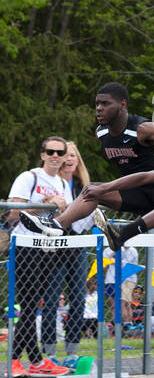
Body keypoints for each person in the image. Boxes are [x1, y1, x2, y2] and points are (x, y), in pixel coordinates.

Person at [21, 83, 154, 237]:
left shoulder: (143, 129)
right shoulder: (101, 133)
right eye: (97, 103)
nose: (99, 108)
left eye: (105, 104)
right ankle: (56, 225)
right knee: (93, 190)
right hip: (137, 193)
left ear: (122, 105)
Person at [6, 136, 74, 376]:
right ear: (43, 154)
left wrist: (58, 205)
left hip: (49, 247)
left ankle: (35, 360)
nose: (55, 156)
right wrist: (46, 204)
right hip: (25, 246)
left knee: (32, 306)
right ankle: (14, 361)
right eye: (51, 151)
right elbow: (14, 212)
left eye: (60, 152)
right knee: (28, 305)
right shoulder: (29, 177)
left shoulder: (64, 185)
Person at [40, 141, 95, 364]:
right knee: (52, 298)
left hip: (77, 243)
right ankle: (50, 353)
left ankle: (72, 352)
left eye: (74, 155)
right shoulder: (53, 184)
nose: (70, 159)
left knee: (78, 298)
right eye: (66, 155)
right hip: (54, 243)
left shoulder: (83, 184)